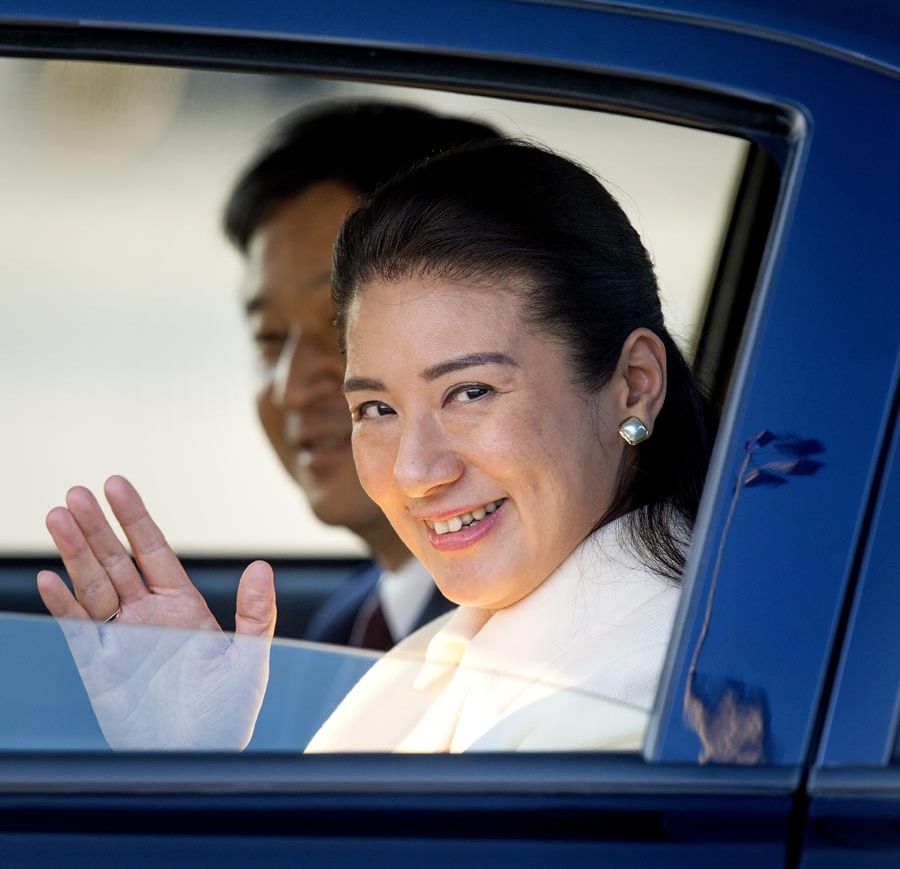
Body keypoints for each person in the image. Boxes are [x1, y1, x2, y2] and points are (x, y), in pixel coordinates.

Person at [37, 140, 713, 752]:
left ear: (633, 384)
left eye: (470, 392)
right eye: (377, 408)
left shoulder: (630, 708)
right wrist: (192, 766)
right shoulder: (462, 648)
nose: (415, 471)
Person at [223, 103, 499, 648]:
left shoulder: (541, 642)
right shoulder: (343, 627)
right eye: (269, 339)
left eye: (340, 323)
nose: (292, 388)